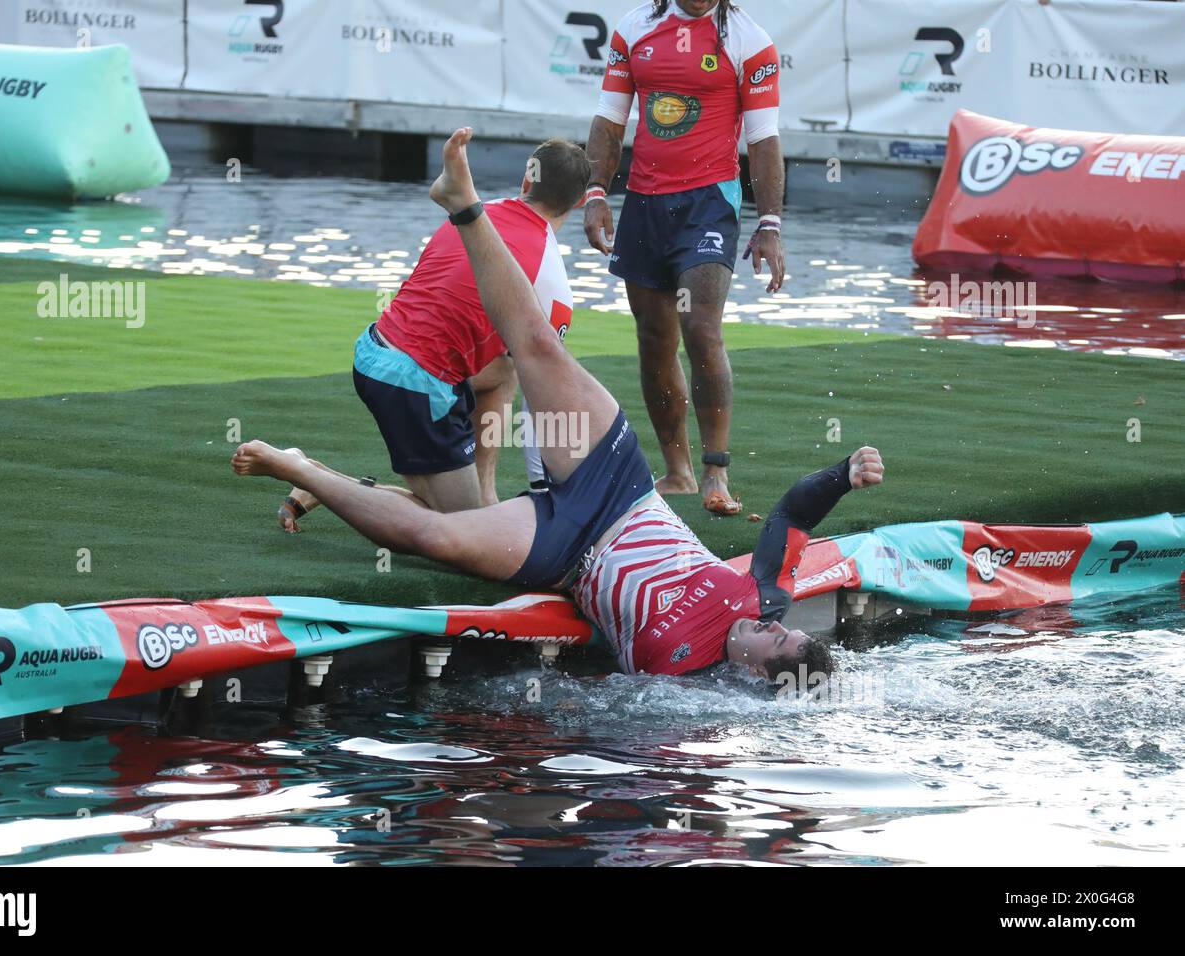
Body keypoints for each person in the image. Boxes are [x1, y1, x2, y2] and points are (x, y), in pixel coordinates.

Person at [234, 129, 884, 681]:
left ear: (755, 675)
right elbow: (793, 514)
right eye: (781, 629)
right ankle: (463, 205)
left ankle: (300, 470)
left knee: (437, 535)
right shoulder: (764, 596)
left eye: (774, 642)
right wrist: (845, 475)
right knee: (540, 349)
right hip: (621, 485)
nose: (766, 627)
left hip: (565, 553)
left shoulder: (686, 685)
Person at [276, 138, 590, 529]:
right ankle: (311, 476)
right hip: (414, 382)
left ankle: (483, 490)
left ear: (526, 181)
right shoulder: (555, 282)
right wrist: (544, 489)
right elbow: (543, 393)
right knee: (466, 533)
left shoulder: (478, 213)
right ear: (579, 203)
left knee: (503, 369)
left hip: (374, 350)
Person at [583, 0, 786, 516]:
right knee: (654, 339)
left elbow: (763, 139)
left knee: (700, 326)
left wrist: (769, 224)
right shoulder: (635, 29)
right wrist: (596, 192)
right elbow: (610, 121)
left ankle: (716, 471)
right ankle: (677, 472)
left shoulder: (748, 40)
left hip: (708, 205)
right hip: (646, 204)